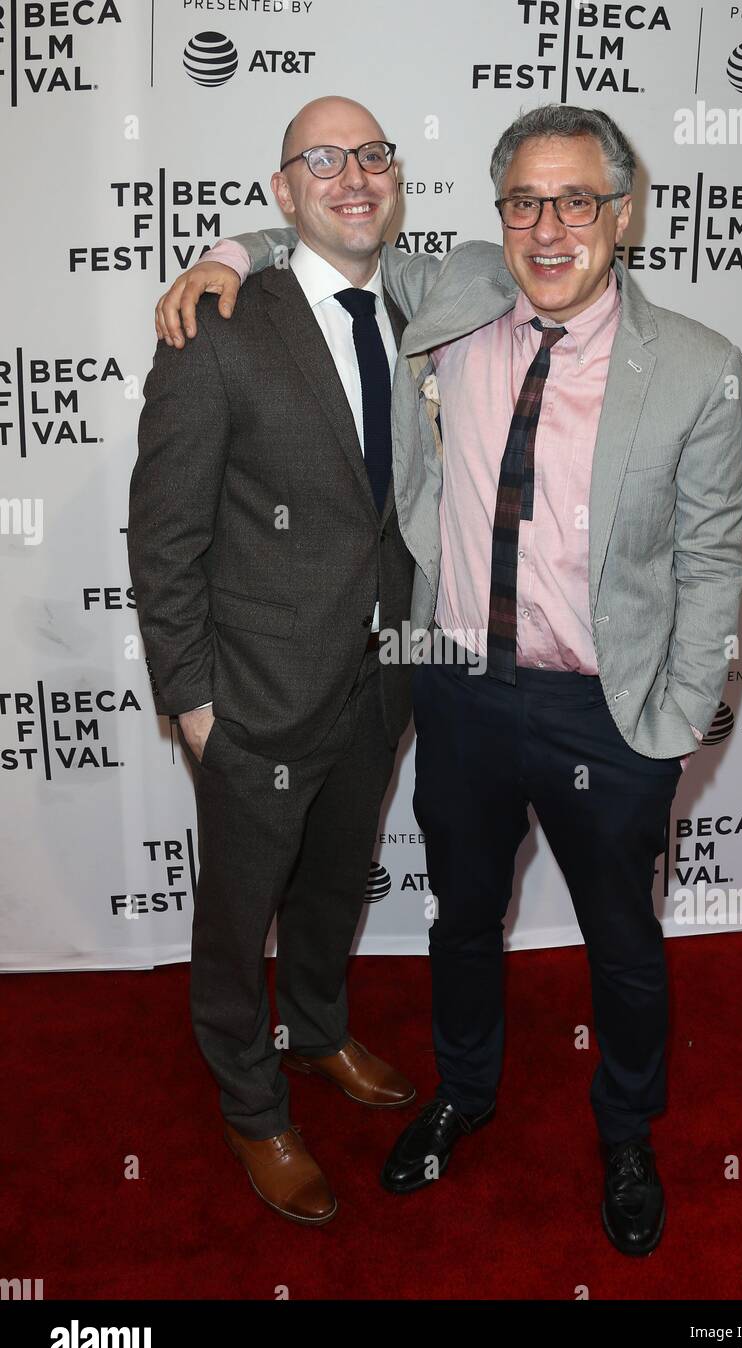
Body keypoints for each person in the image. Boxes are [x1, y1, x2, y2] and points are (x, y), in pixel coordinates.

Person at [154, 104, 742, 1256]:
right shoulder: (459, 298)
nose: (547, 227)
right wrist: (224, 251)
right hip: (459, 691)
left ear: (619, 213)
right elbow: (330, 234)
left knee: (622, 944)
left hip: (603, 711)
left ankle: (624, 1131)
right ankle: (463, 1093)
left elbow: (714, 556)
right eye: (523, 199)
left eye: (576, 199)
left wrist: (671, 721)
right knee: (462, 924)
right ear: (496, 215)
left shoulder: (699, 370)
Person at [128, 95, 451, 1227]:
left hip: (382, 677)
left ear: (394, 175)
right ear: (281, 188)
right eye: (322, 160)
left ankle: (315, 1031)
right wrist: (192, 701)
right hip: (256, 695)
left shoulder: (427, 300)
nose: (352, 176)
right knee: (238, 910)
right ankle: (249, 1098)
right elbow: (164, 536)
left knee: (333, 880)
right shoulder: (218, 325)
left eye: (371, 155)